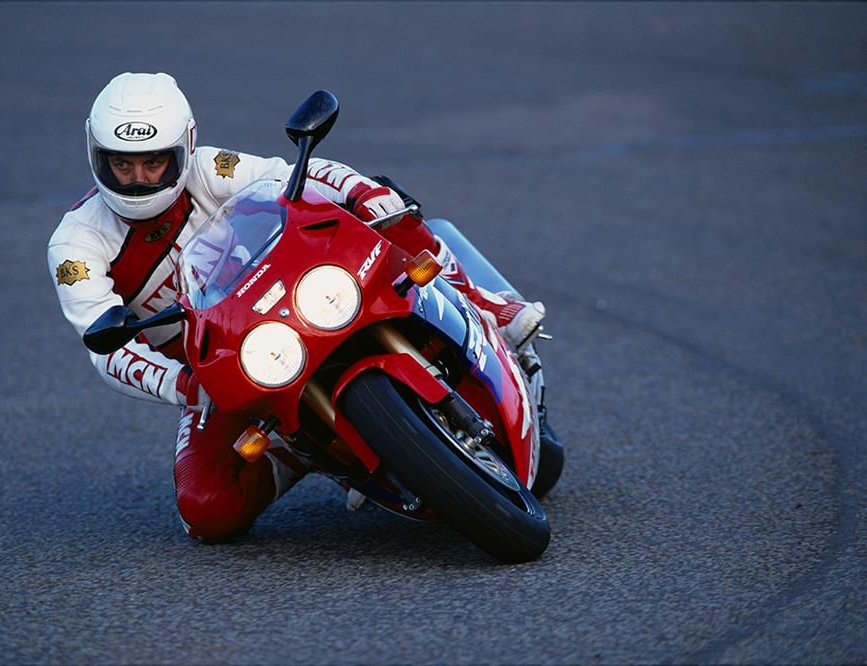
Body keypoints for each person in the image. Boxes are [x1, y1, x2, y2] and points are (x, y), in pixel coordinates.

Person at [47, 72, 545, 542]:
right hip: (225, 373)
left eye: (153, 163)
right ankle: (306, 448)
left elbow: (292, 178)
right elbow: (105, 346)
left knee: (388, 204)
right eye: (122, 165)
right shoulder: (76, 245)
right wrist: (184, 386)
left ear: (184, 148)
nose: (138, 179)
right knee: (207, 510)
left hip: (305, 297)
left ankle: (483, 304)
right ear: (97, 156)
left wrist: (363, 192)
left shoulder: (211, 168)